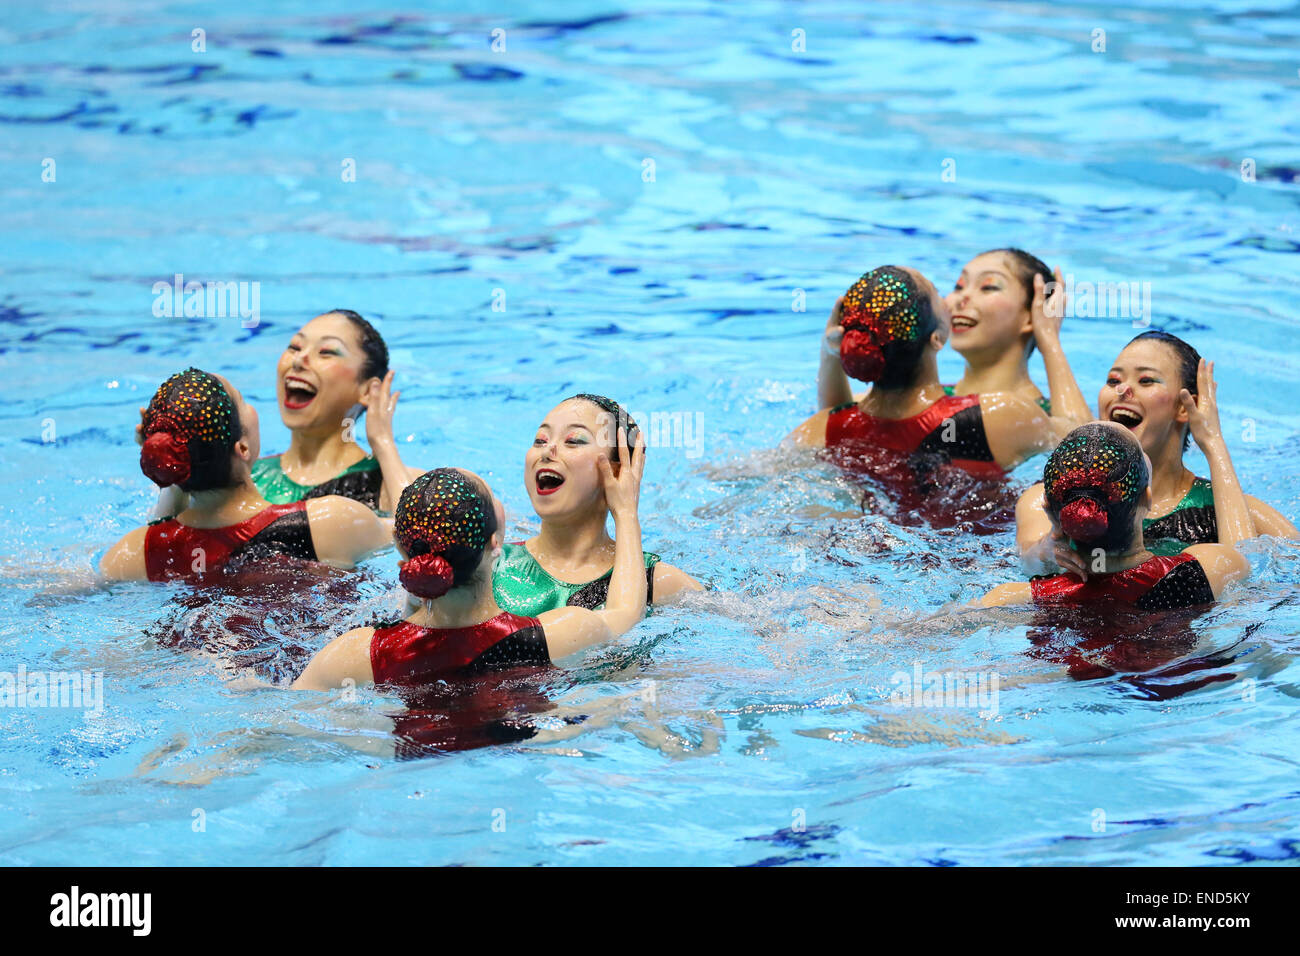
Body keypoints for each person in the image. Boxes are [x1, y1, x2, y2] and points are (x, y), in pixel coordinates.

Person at [293, 441, 649, 694]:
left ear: (404, 558)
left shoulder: (355, 656)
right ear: (495, 545)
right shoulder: (557, 635)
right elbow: (624, 611)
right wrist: (626, 512)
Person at [1017, 331, 1297, 575]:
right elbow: (1028, 561)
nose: (1123, 389)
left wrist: (1213, 443)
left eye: (1147, 380)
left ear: (1186, 407)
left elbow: (1249, 583)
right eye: (1113, 380)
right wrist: (1048, 551)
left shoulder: (1234, 508)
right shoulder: (1047, 499)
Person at [787, 265, 1069, 489]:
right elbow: (1084, 437)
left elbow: (841, 424)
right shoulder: (999, 417)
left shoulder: (819, 429)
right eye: (939, 292)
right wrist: (1050, 340)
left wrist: (829, 353)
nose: (952, 300)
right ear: (938, 337)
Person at [101, 368, 391, 583]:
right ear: (241, 447)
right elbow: (421, 537)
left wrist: (172, 472)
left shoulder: (132, 554)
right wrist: (383, 442)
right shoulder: (330, 522)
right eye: (241, 400)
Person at [138, 309, 423, 516]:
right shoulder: (241, 474)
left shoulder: (391, 482)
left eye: (326, 352)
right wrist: (176, 460)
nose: (299, 360)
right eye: (294, 347)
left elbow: (417, 543)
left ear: (368, 390)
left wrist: (383, 443)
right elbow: (162, 545)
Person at [982, 422, 1250, 609]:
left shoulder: (1011, 598)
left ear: (1052, 513)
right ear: (1147, 498)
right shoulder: (1214, 566)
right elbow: (1251, 553)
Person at [817, 248, 1092, 424]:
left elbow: (1087, 451)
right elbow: (841, 426)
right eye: (958, 286)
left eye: (988, 287)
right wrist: (832, 352)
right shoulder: (923, 398)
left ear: (1032, 315)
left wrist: (1050, 339)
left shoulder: (1041, 413)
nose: (961, 298)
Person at [491, 394, 702, 615]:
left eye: (573, 441)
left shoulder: (659, 583)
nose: (548, 450)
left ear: (617, 471)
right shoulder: (490, 564)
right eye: (540, 440)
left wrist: (626, 513)